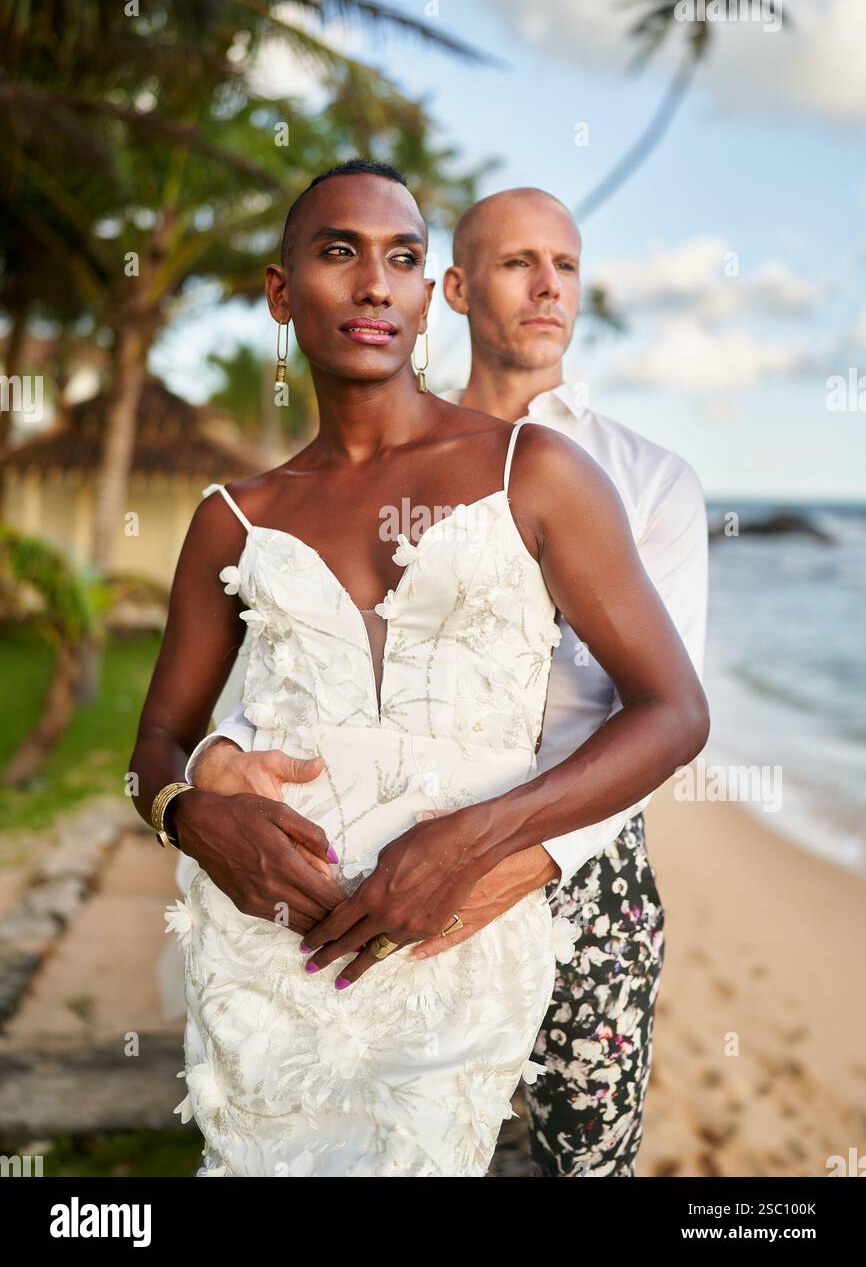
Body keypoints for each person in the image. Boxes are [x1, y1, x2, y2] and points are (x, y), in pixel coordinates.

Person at [134, 159, 709, 1177]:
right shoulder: (231, 516)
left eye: (400, 257)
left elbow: (671, 711)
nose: (373, 285)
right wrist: (191, 812)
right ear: (280, 292)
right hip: (269, 960)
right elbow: (152, 747)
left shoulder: (533, 470)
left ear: (423, 291)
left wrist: (468, 843)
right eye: (338, 252)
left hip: (462, 941)